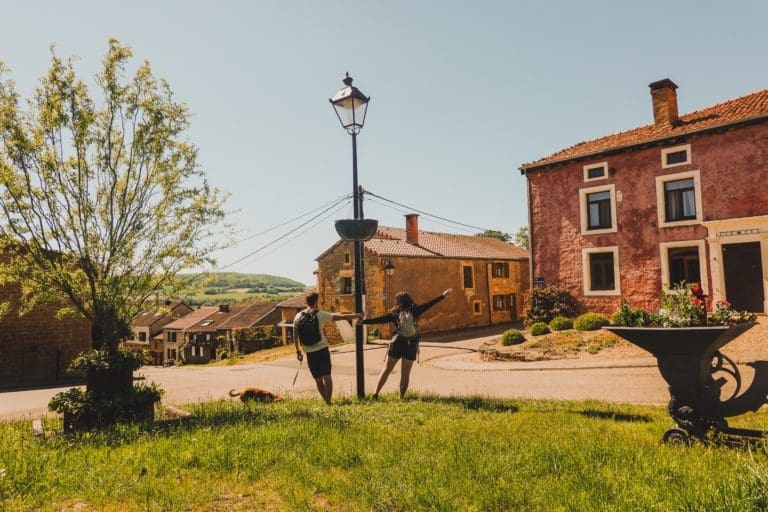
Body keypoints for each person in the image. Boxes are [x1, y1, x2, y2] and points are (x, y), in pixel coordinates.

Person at [363, 288, 452, 399]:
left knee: (386, 370)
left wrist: (363, 322)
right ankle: (401, 398)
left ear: (399, 302)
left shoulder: (395, 313)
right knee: (405, 374)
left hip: (397, 342)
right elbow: (429, 304)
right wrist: (443, 295)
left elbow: (379, 319)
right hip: (411, 343)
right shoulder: (416, 310)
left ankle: (375, 394)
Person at [293, 291, 360, 405]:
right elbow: (341, 316)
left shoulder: (298, 316)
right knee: (327, 376)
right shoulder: (321, 314)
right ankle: (329, 401)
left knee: (318, 378)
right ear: (316, 302)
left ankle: (326, 402)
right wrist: (357, 315)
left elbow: (295, 335)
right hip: (322, 349)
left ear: (306, 302)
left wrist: (298, 351)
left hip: (309, 351)